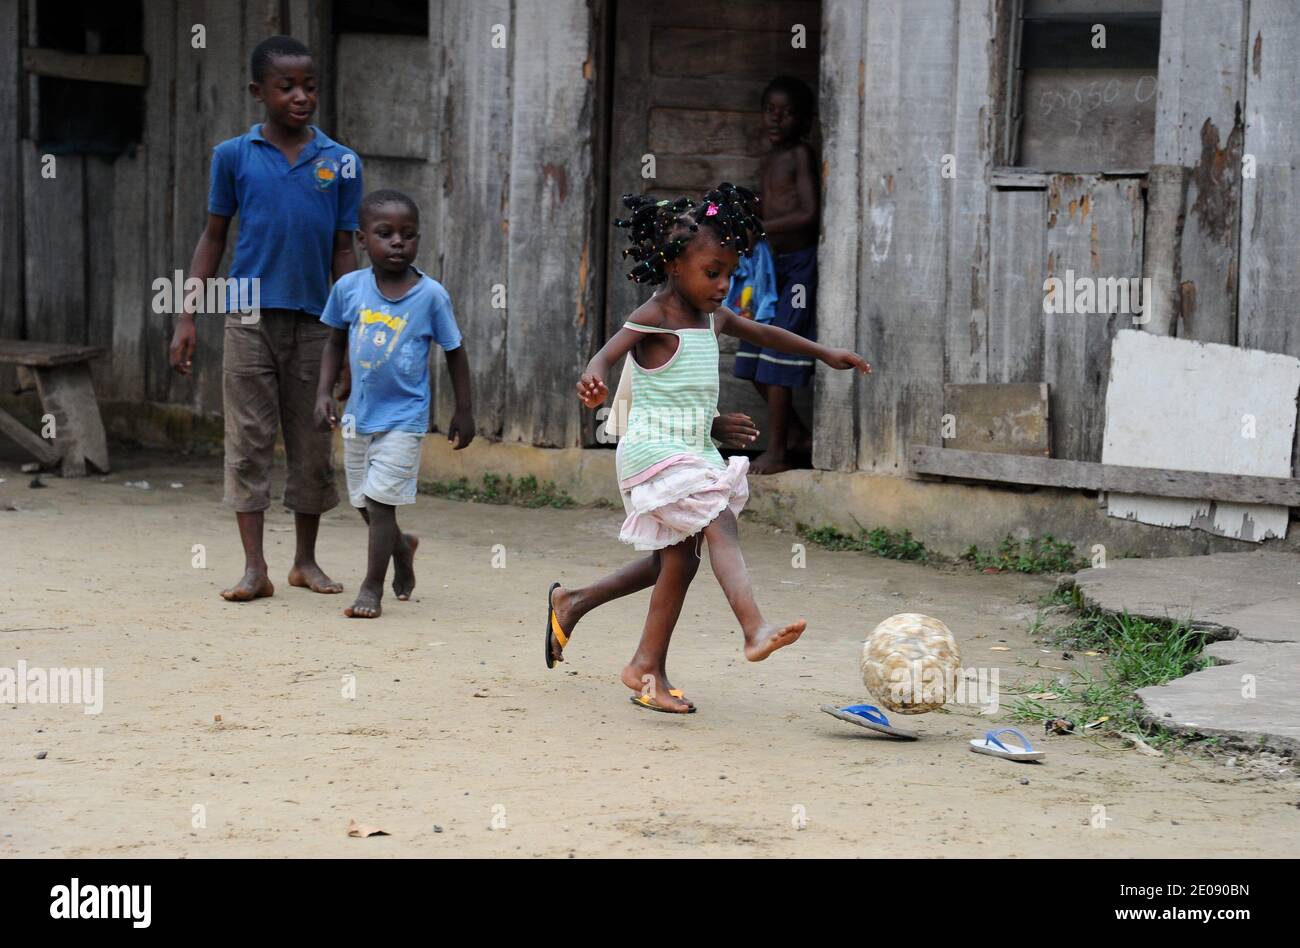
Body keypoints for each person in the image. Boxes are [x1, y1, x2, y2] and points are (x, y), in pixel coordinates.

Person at [547, 184, 871, 714]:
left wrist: (825, 353)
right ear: (674, 264)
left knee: (676, 562)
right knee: (719, 519)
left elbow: (766, 333)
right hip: (654, 451)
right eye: (712, 272)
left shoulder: (713, 318)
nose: (724, 285)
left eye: (730, 273)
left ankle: (628, 651)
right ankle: (754, 628)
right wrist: (592, 380)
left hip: (691, 449)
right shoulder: (654, 316)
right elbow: (604, 358)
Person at [169, 35, 362, 601]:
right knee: (248, 440)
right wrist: (187, 316)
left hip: (316, 323)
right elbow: (213, 236)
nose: (301, 96)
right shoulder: (233, 155)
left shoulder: (340, 160)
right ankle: (255, 568)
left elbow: (344, 251)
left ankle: (305, 561)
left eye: (309, 86)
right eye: (287, 87)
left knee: (312, 441)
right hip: (247, 316)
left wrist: (347, 333)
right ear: (259, 92)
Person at [315, 190, 475, 619]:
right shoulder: (348, 289)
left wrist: (464, 409)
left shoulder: (431, 296)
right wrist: (323, 393)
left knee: (382, 503)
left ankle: (372, 589)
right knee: (362, 501)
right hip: (357, 417)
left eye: (408, 234)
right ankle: (401, 548)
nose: (398, 243)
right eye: (385, 234)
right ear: (362, 238)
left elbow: (455, 351)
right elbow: (333, 342)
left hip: (405, 418)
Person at [733, 76, 820, 474]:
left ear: (803, 120)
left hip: (798, 266)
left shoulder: (800, 154)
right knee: (751, 357)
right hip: (768, 270)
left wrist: (763, 227)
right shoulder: (769, 158)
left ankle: (780, 451)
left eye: (786, 112)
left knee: (779, 354)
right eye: (770, 109)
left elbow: (808, 213)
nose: (776, 118)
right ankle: (798, 434)